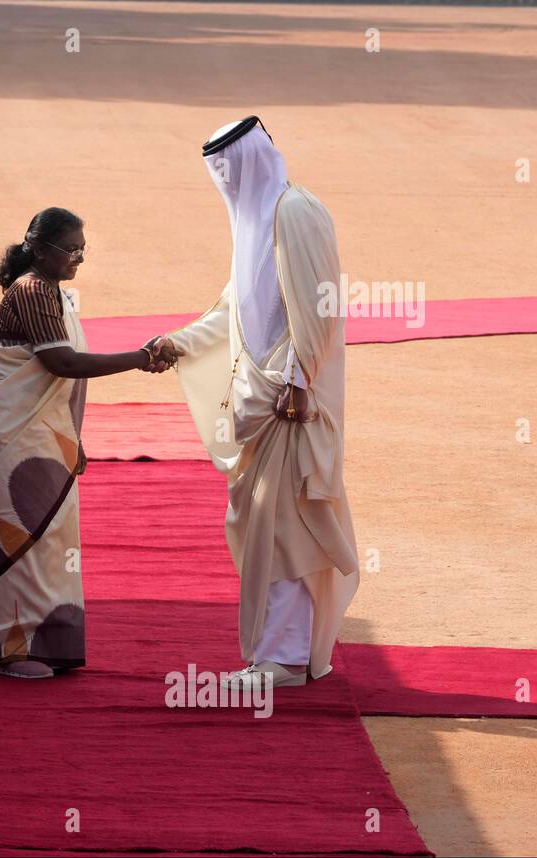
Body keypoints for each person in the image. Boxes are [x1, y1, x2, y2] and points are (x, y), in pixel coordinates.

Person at [149, 117, 359, 690]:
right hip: (258, 402)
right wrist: (177, 343)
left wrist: (297, 379)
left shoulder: (294, 212)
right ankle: (273, 651)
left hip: (290, 402)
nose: (222, 178)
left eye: (227, 165)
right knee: (260, 525)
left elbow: (319, 303)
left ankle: (285, 659)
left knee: (287, 525)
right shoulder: (254, 222)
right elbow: (234, 313)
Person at [0, 207, 170, 679]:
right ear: (39, 248)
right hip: (12, 430)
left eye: (83, 248)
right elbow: (63, 365)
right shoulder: (33, 289)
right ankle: (10, 650)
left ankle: (47, 643)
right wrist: (139, 358)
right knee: (20, 530)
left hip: (41, 431)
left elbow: (61, 379)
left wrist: (71, 438)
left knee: (51, 536)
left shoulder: (54, 291)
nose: (78, 257)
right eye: (69, 249)